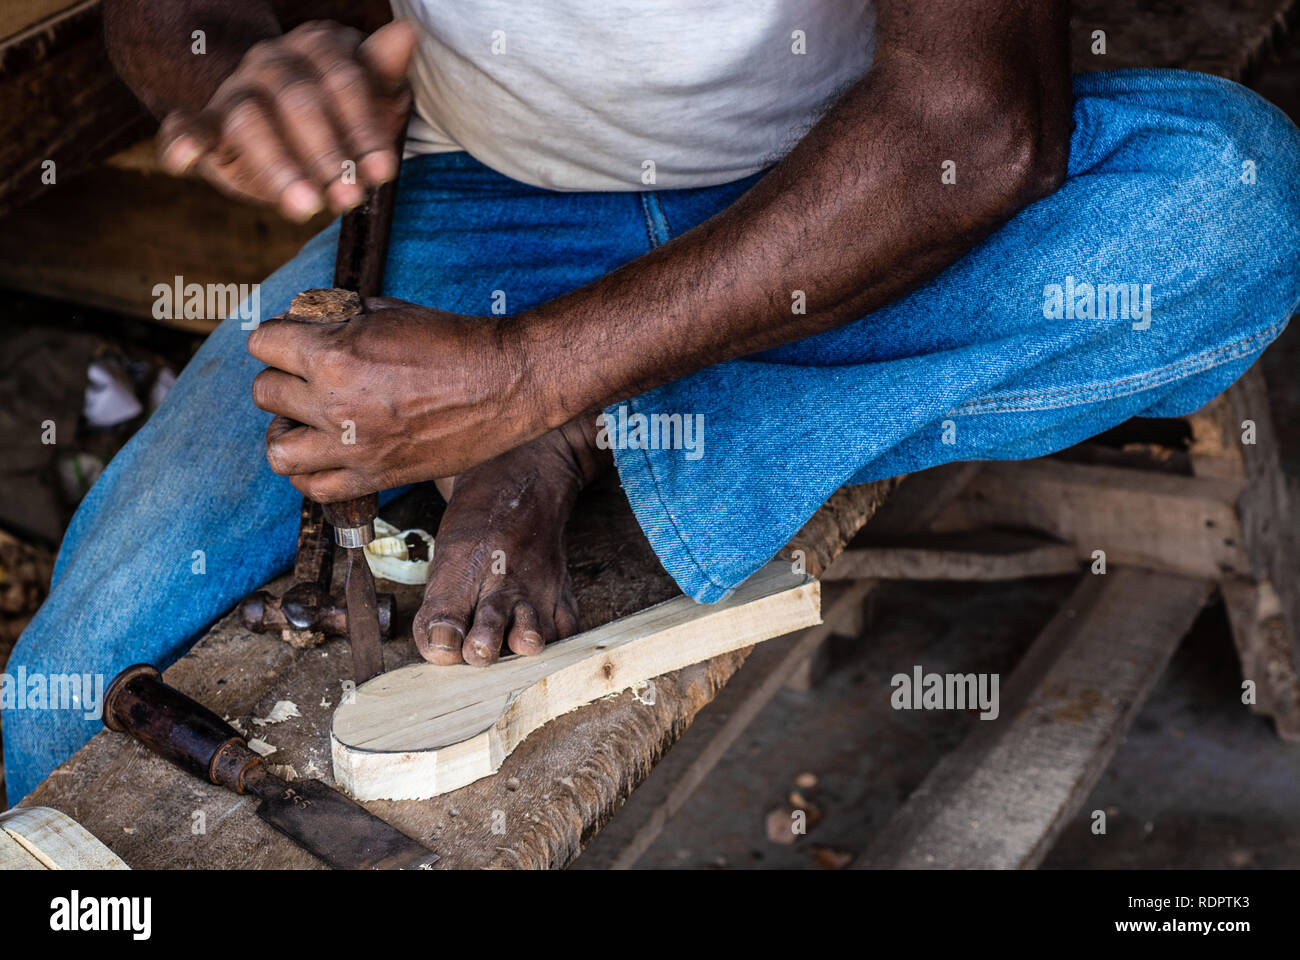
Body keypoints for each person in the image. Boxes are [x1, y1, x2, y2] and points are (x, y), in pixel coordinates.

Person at [3, 0, 1298, 802]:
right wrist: (231, 70)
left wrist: (530, 379)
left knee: (1230, 206)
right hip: (477, 197)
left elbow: (976, 123)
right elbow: (160, 11)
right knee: (71, 674)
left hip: (835, 196)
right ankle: (620, 395)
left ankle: (585, 418)